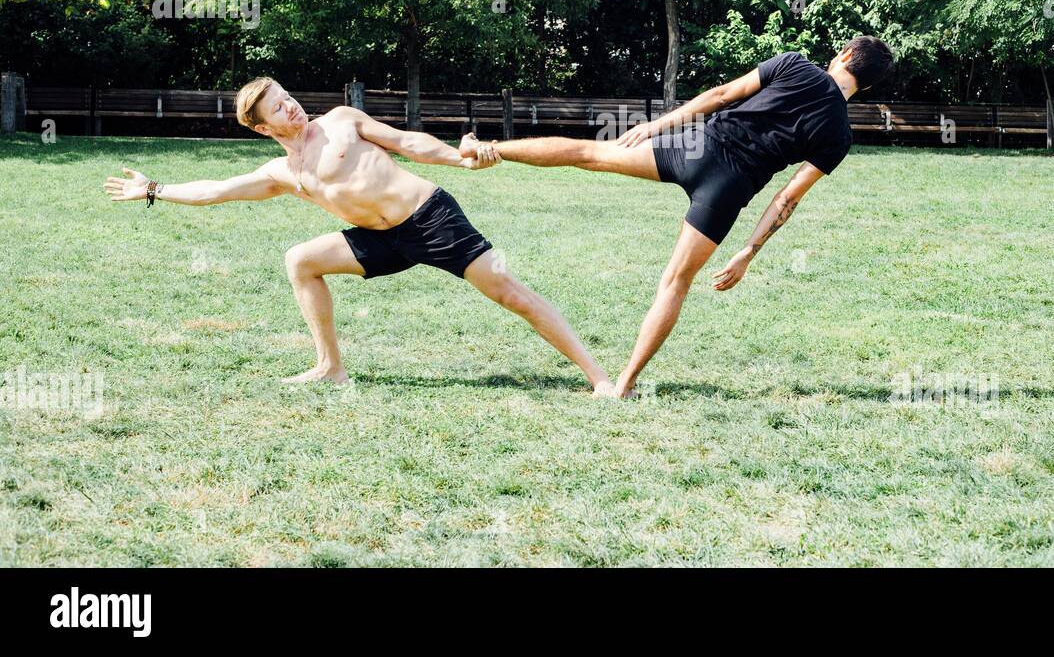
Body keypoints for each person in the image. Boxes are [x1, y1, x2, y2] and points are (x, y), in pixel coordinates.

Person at [103, 77, 613, 394]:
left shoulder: (343, 121)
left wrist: (459, 155)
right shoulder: (283, 173)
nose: (293, 108)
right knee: (301, 259)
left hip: (431, 218)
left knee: (510, 293)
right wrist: (155, 189)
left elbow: (407, 142)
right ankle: (330, 367)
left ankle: (601, 379)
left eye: (289, 98)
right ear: (261, 127)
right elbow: (216, 190)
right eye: (279, 108)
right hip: (380, 239)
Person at [460, 37, 895, 398]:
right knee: (675, 282)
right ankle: (624, 386)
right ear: (868, 86)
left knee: (589, 154)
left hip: (695, 147)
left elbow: (721, 96)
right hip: (728, 189)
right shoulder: (839, 135)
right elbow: (786, 199)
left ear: (843, 55)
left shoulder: (795, 64)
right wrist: (747, 252)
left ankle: (489, 148)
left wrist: (657, 125)